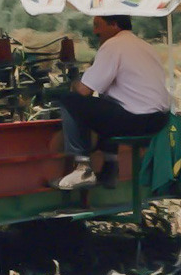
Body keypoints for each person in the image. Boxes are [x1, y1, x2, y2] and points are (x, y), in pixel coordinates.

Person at [52, 15, 171, 190]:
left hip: (137, 121)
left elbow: (84, 91)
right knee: (108, 102)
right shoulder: (145, 46)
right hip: (160, 120)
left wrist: (73, 83)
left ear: (114, 25)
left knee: (70, 101)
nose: (95, 31)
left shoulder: (113, 45)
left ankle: (83, 170)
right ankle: (110, 167)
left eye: (98, 25)